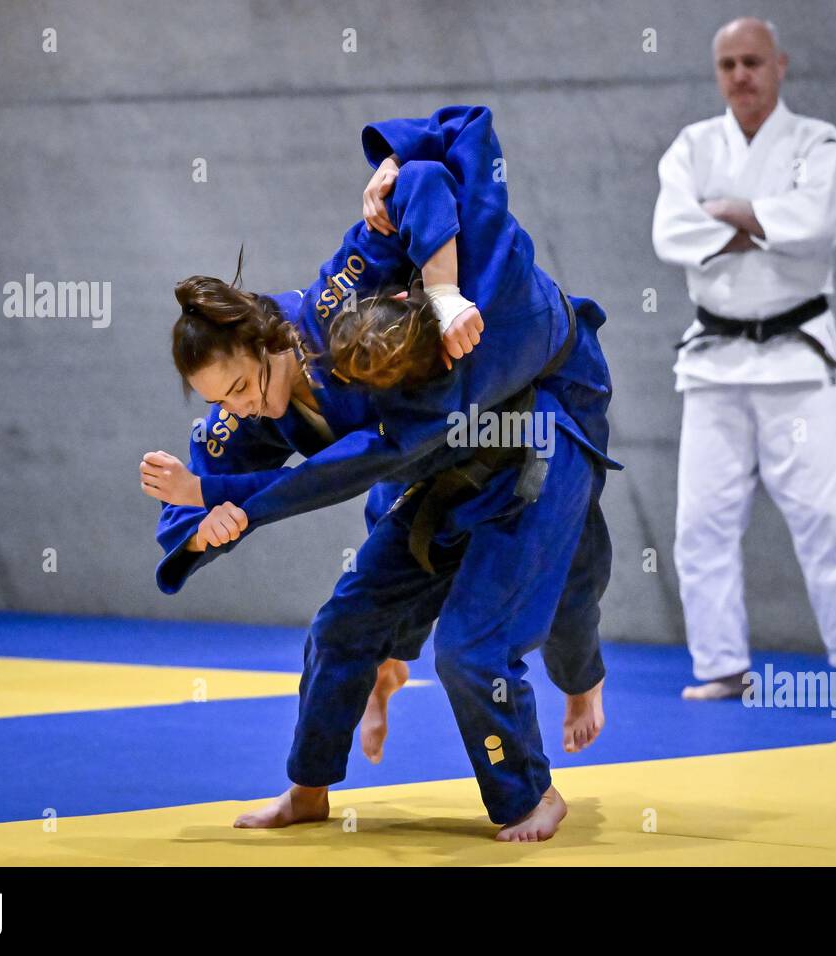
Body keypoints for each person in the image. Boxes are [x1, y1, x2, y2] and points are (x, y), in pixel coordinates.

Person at [142, 106, 620, 839]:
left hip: (541, 425)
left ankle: (540, 775)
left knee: (518, 620)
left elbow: (433, 168)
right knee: (344, 625)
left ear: (274, 339)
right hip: (436, 469)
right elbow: (212, 471)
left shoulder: (363, 296)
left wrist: (437, 277)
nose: (241, 406)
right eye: (223, 399)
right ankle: (306, 788)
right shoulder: (252, 400)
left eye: (242, 385)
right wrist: (205, 522)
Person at [651, 18, 836, 704]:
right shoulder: (692, 146)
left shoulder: (819, 142)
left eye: (752, 62)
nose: (741, 76)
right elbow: (672, 234)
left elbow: (815, 227)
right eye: (728, 64)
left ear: (780, 65)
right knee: (701, 523)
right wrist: (766, 223)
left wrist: (728, 212)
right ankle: (723, 667)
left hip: (798, 357)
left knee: (832, 516)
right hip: (713, 361)